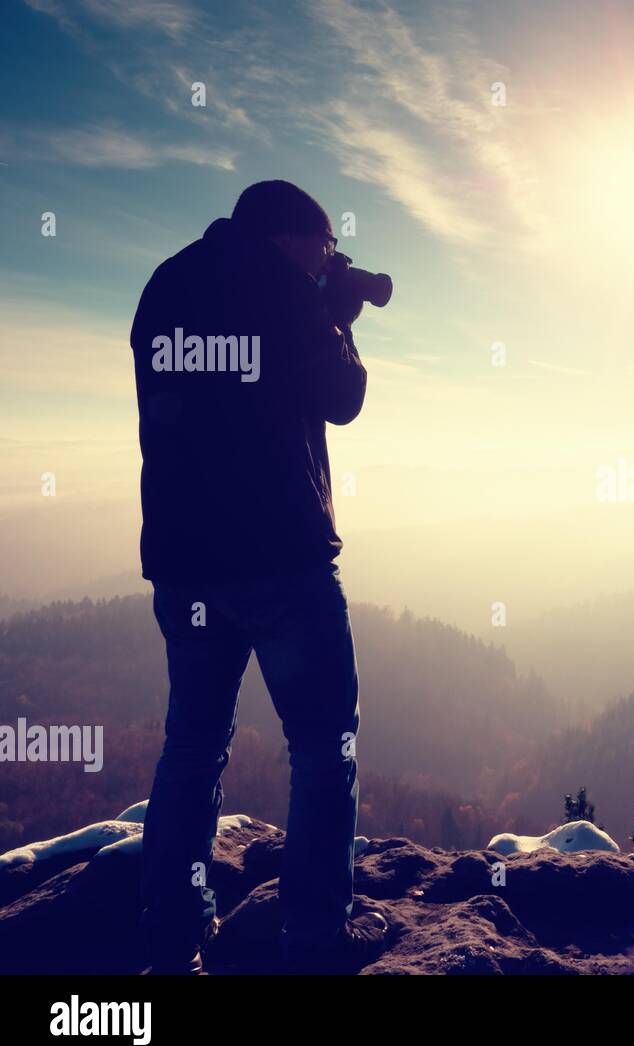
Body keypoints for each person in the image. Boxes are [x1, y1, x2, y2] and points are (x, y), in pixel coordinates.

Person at [129, 179, 387, 974]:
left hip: (184, 566)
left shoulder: (167, 281)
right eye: (325, 250)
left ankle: (173, 931)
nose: (332, 263)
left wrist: (318, 301)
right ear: (286, 240)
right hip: (280, 564)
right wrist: (330, 314)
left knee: (193, 747)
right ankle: (313, 934)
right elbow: (343, 397)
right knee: (322, 745)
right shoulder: (287, 292)